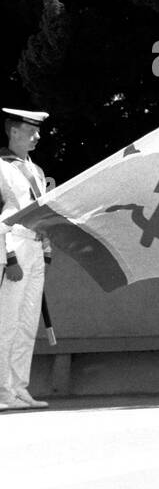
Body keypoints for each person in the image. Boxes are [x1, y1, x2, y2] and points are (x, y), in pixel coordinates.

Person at [0, 108, 52, 411]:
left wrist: (45, 251)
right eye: (31, 130)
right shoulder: (2, 167)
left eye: (38, 131)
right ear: (13, 131)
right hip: (13, 244)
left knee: (27, 323)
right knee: (6, 323)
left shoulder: (36, 170)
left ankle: (18, 388)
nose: (37, 136)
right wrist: (9, 257)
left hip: (34, 246)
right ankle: (2, 389)